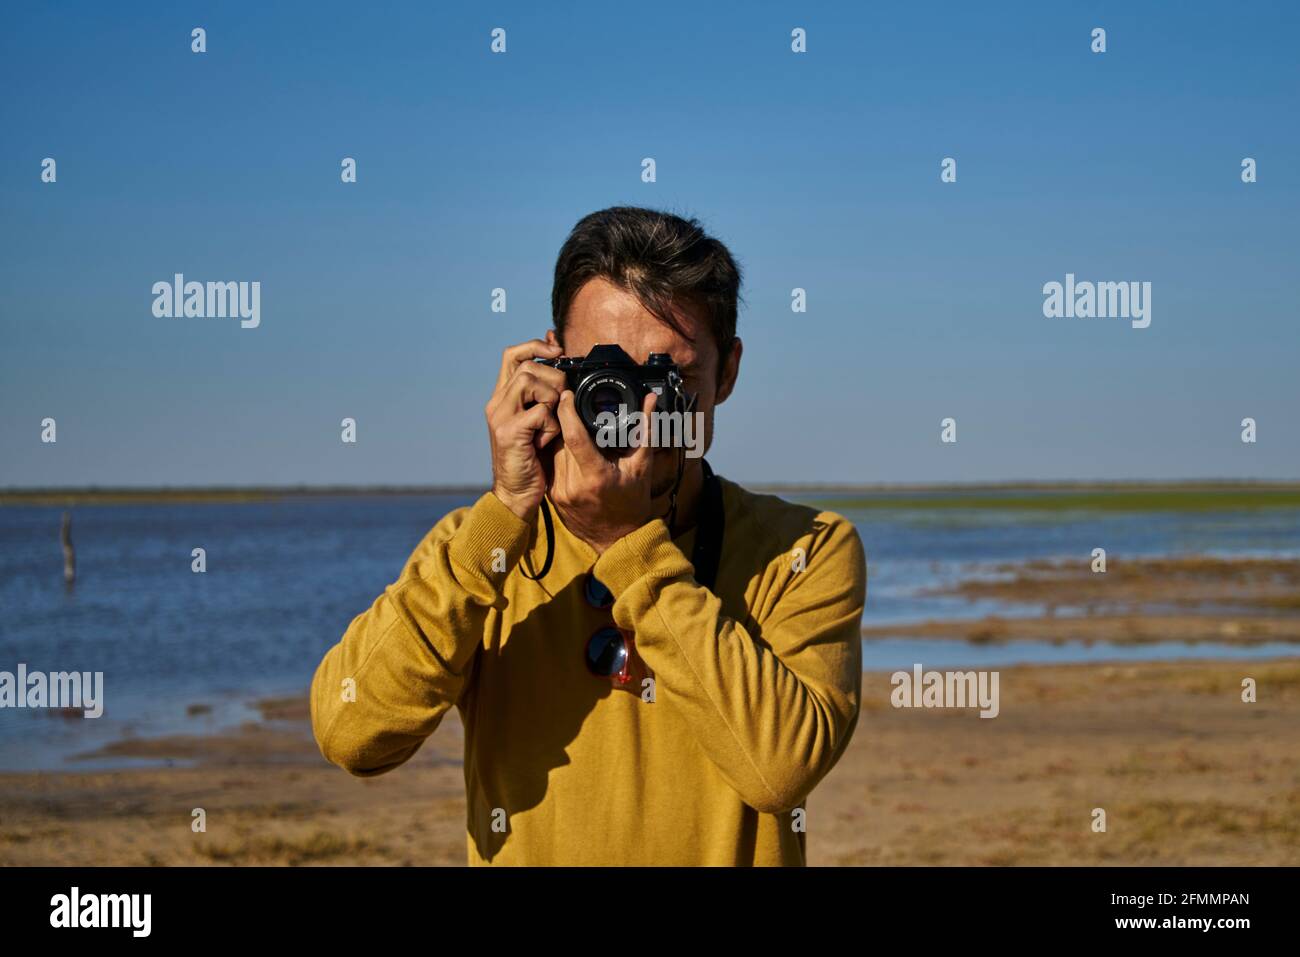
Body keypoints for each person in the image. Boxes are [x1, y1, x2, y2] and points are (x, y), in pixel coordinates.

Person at [310, 206, 866, 865]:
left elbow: (778, 769)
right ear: (553, 362)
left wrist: (629, 544)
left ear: (730, 371)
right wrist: (505, 511)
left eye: (672, 379)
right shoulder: (483, 548)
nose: (638, 411)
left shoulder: (801, 549)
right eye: (612, 378)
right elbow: (353, 735)